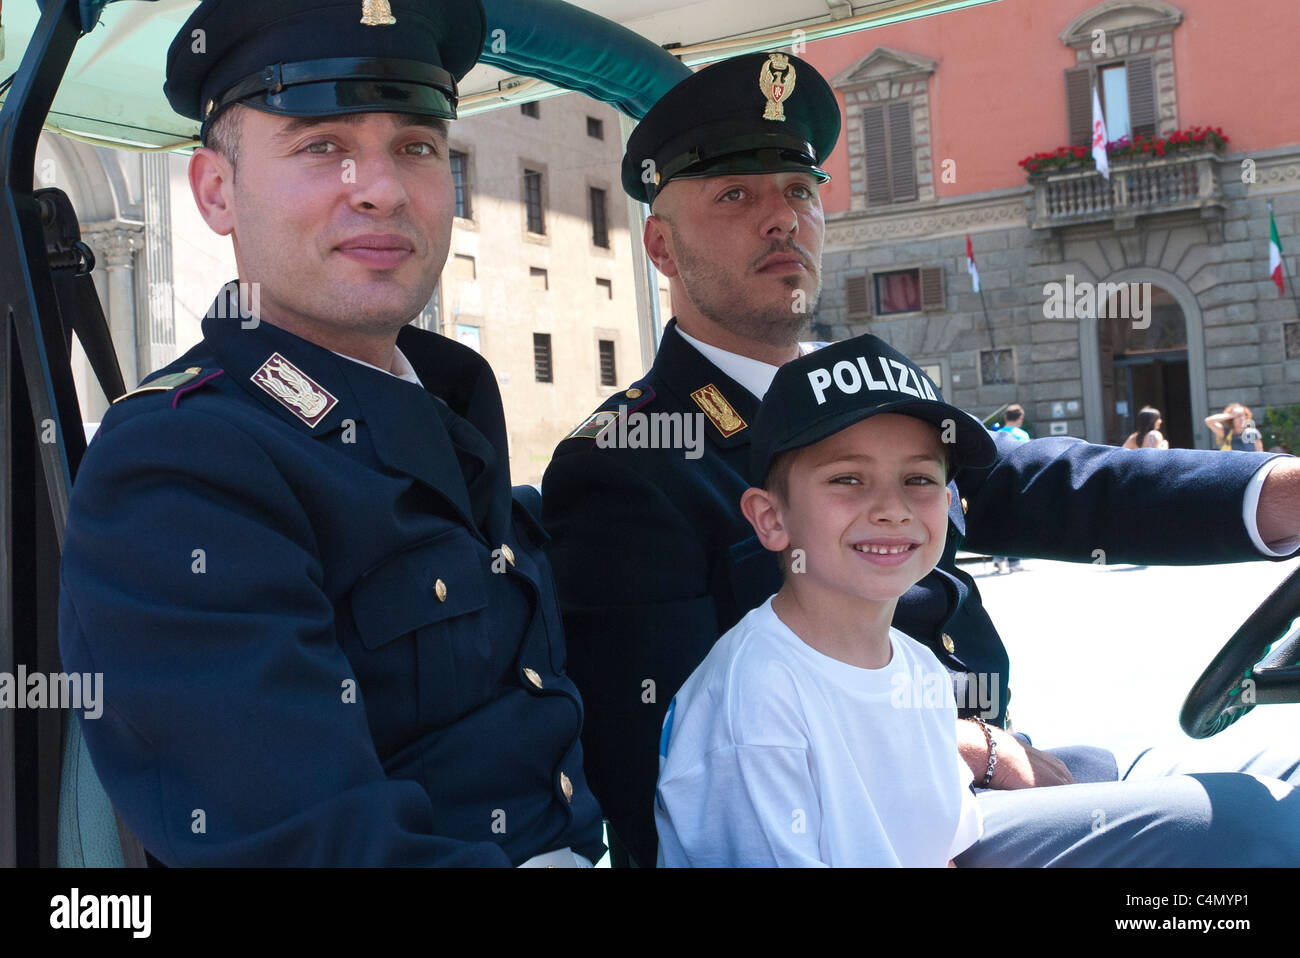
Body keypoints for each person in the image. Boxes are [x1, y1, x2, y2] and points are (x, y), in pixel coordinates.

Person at [541, 51, 1300, 868]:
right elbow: (669, 763)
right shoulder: (627, 462)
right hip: (872, 832)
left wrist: (1273, 492)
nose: (782, 219)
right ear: (660, 247)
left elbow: (1033, 482)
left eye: (800, 191)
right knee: (1255, 829)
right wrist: (962, 744)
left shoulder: (856, 388)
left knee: (1284, 776)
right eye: (735, 196)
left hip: (982, 772)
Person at [57, 0, 603, 867]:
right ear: (216, 192)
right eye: (322, 145)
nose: (383, 187)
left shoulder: (450, 399)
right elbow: (308, 847)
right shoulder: (181, 465)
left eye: (417, 147)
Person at [655, 335, 992, 866]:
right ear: (771, 518)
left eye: (919, 478)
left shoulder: (922, 669)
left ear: (947, 504)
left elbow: (941, 853)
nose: (892, 508)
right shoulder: (757, 698)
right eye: (848, 478)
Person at [993, 404, 1030, 572]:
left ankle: (998, 557)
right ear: (1020, 418)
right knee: (1014, 522)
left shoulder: (996, 434)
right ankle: (1014, 562)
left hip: (996, 482)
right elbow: (1029, 459)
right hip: (1016, 483)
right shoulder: (1022, 435)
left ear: (1006, 417)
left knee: (998, 521)